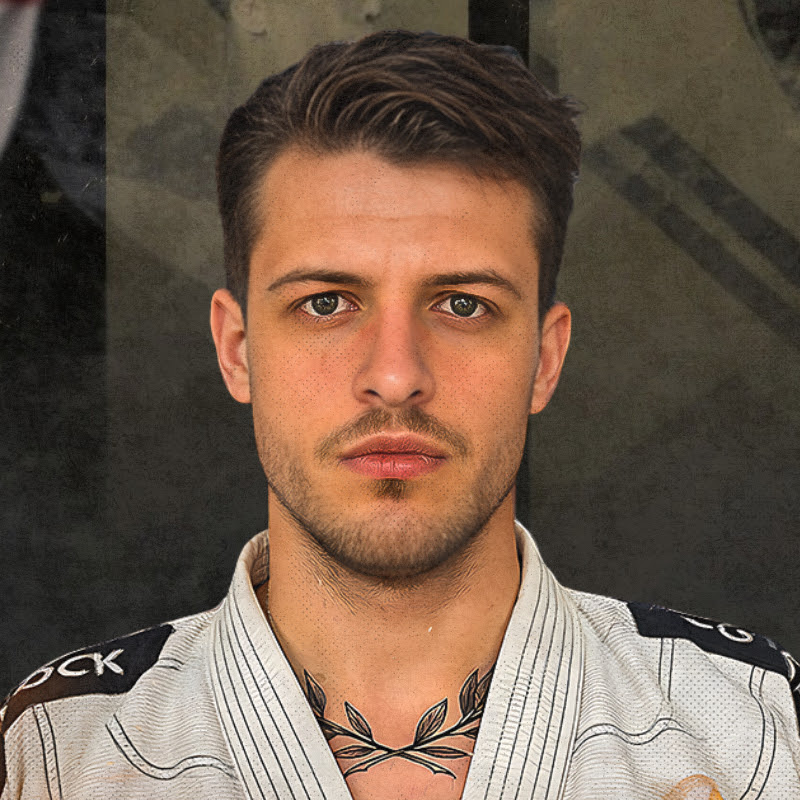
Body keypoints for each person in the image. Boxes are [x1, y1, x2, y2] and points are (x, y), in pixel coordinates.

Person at [1, 30, 798, 800]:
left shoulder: (761, 736)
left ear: (545, 357)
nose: (394, 377)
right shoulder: (57, 756)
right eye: (325, 303)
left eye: (463, 304)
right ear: (237, 349)